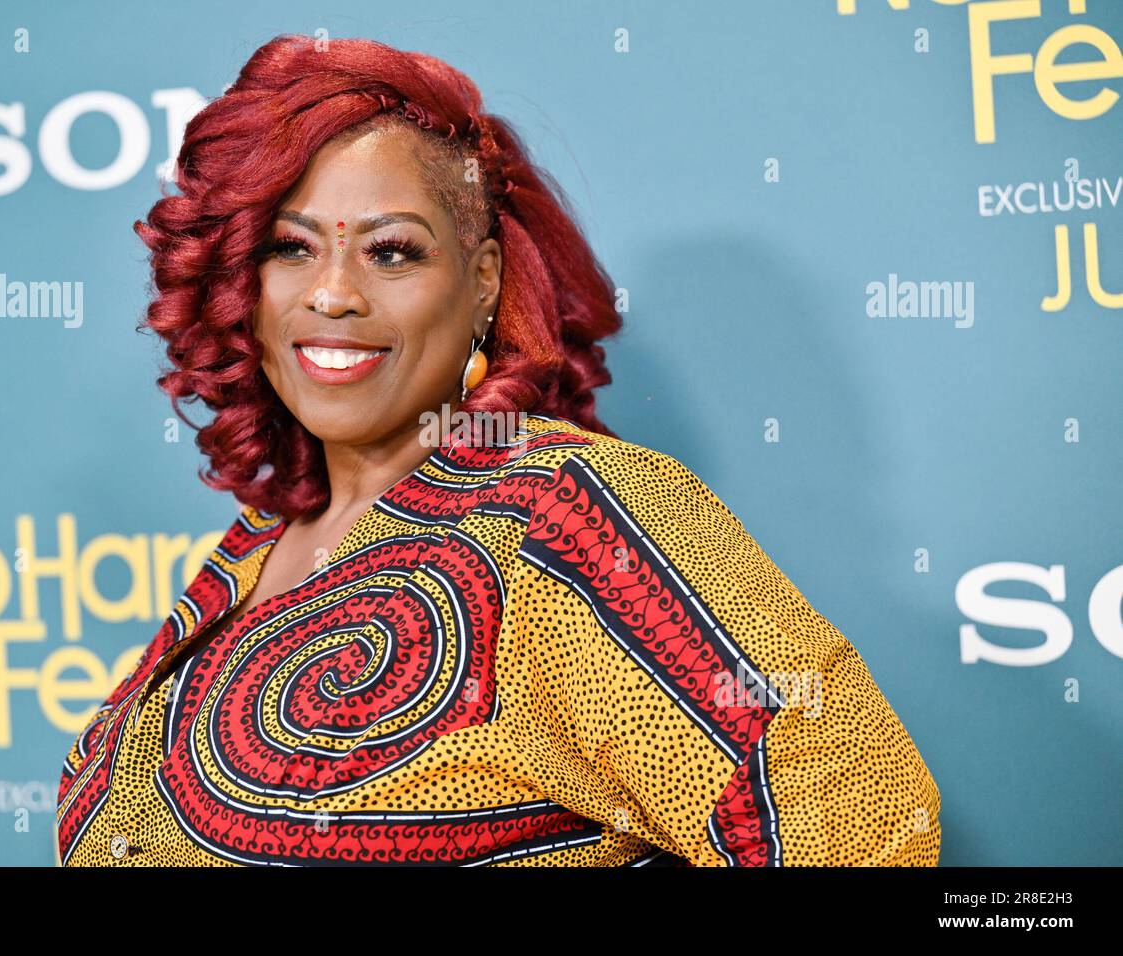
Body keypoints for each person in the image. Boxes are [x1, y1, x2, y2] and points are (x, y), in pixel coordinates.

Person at [55, 33, 941, 867]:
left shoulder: (561, 513)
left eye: (391, 252)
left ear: (481, 283)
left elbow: (856, 825)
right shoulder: (260, 539)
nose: (331, 293)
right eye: (289, 247)